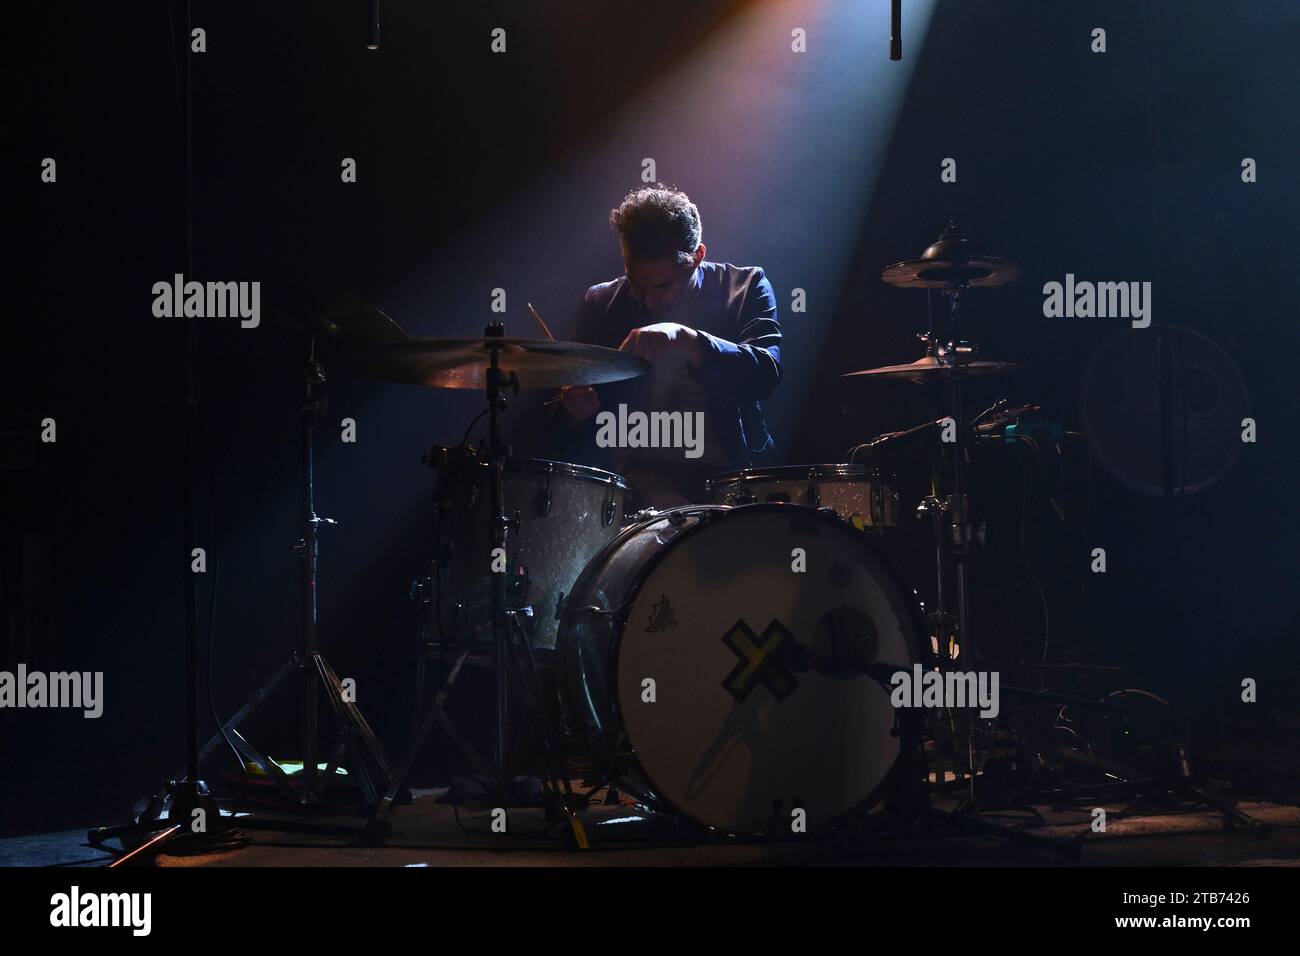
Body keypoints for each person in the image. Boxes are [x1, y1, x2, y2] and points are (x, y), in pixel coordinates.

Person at [551, 184, 783, 508]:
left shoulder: (745, 288)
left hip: (729, 484)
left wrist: (684, 336)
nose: (649, 299)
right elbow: (558, 434)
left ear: (698, 257)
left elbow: (765, 374)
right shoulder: (601, 303)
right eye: (635, 282)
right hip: (627, 488)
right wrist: (574, 413)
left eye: (663, 286)